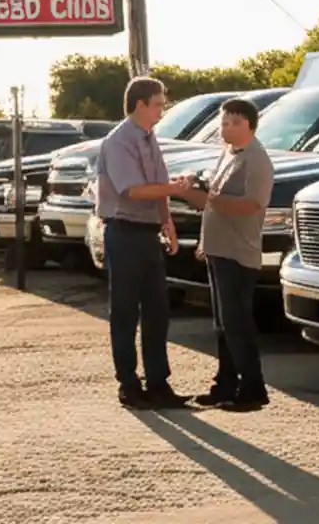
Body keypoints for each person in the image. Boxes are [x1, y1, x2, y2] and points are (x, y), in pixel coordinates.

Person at [97, 76, 191, 409]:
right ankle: (128, 384)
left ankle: (158, 383)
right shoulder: (119, 142)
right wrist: (176, 191)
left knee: (157, 311)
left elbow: (158, 182)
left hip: (147, 233)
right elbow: (133, 190)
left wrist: (167, 221)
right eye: (157, 105)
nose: (161, 111)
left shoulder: (150, 138)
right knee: (125, 312)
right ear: (140, 105)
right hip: (123, 232)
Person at [176, 98, 275, 411]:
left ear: (250, 125)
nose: (227, 128)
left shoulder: (257, 160)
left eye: (235, 122)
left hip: (238, 252)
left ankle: (253, 389)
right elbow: (211, 201)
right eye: (224, 122)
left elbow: (249, 205)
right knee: (223, 323)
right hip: (219, 249)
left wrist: (209, 199)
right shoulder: (227, 154)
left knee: (238, 323)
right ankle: (225, 384)